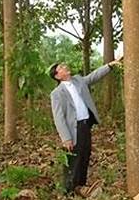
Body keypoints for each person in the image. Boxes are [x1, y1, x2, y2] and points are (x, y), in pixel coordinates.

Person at [49, 57, 122, 196]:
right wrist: (66, 138)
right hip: (72, 129)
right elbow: (58, 117)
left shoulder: (78, 80)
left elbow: (94, 76)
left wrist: (110, 66)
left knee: (85, 155)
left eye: (64, 65)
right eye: (61, 67)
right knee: (73, 158)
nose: (65, 67)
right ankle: (69, 189)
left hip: (85, 125)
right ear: (57, 76)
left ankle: (81, 186)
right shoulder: (57, 94)